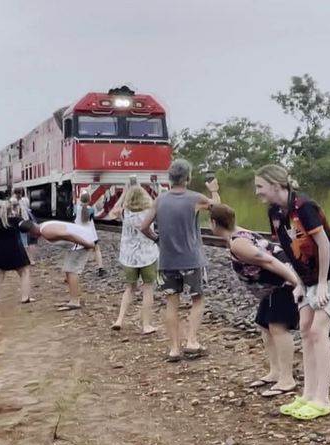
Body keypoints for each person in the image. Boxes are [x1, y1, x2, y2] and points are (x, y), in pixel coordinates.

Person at [254, 165, 330, 421]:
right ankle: (308, 394)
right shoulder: (275, 212)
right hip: (307, 279)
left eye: (260, 186)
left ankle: (323, 398)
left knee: (318, 330)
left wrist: (323, 283)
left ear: (276, 185)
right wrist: (299, 283)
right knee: (305, 329)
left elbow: (324, 244)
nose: (257, 192)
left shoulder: (304, 207)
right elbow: (287, 247)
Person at [209, 203, 304, 397]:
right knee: (264, 324)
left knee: (278, 327)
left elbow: (269, 261)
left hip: (282, 284)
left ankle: (287, 378)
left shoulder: (238, 243)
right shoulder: (239, 234)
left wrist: (295, 282)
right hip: (271, 288)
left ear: (214, 223)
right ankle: (275, 371)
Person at [140, 159, 220, 362]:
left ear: (170, 178)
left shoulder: (160, 200)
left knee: (171, 302)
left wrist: (157, 240)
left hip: (167, 261)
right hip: (191, 259)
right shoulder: (195, 198)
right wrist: (214, 190)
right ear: (187, 177)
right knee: (197, 300)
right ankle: (192, 341)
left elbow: (144, 227)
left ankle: (174, 349)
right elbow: (218, 209)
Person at [107, 185, 158, 334]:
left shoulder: (124, 213)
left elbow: (111, 213)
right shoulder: (149, 212)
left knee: (129, 288)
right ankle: (146, 325)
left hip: (129, 257)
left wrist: (123, 195)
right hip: (148, 256)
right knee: (148, 289)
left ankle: (119, 320)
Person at [21, 219, 97, 310]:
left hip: (81, 242)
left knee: (72, 271)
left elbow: (69, 235)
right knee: (68, 270)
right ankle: (73, 298)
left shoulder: (46, 232)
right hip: (77, 243)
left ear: (31, 232)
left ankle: (75, 301)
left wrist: (88, 244)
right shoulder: (43, 226)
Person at [0, 201, 33, 306]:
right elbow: (26, 227)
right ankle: (25, 297)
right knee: (24, 273)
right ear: (12, 209)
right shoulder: (16, 220)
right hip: (16, 251)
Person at [75, 192, 105, 277]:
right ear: (89, 200)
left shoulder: (76, 208)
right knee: (97, 249)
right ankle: (100, 268)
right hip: (91, 234)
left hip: (79, 233)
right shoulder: (91, 210)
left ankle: (76, 270)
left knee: (80, 252)